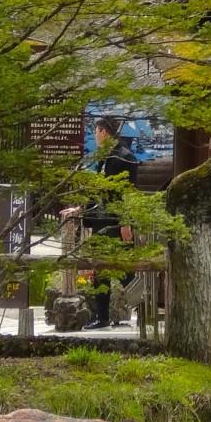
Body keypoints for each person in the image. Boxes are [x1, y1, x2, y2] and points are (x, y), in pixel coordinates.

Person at [84, 116, 139, 328]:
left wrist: (126, 222)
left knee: (124, 270)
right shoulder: (105, 156)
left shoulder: (124, 157)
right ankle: (102, 317)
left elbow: (127, 192)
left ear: (104, 132)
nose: (95, 136)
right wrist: (81, 208)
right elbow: (98, 189)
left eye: (96, 132)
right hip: (101, 218)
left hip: (117, 220)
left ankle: (144, 307)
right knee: (100, 268)